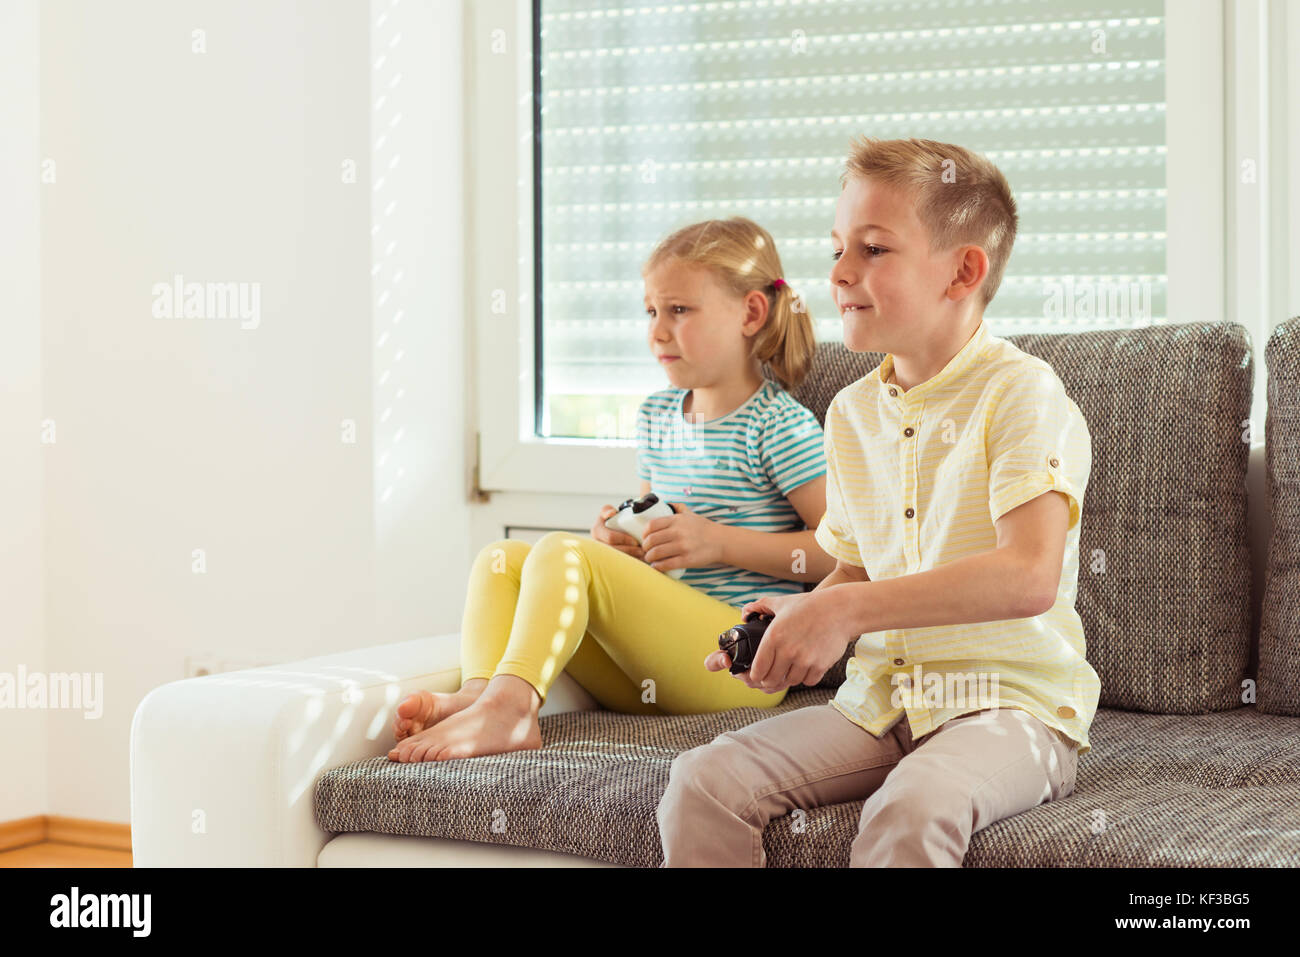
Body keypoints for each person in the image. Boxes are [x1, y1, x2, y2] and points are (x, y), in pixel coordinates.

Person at [657, 136, 1099, 867]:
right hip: (881, 700)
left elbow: (1028, 575)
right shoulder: (851, 413)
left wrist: (845, 612)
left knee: (911, 805)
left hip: (1010, 706)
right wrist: (804, 610)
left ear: (963, 271)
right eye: (837, 248)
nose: (839, 273)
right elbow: (858, 570)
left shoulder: (1023, 393)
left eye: (873, 249)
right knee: (703, 780)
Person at [387, 216, 836, 763]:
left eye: (679, 310)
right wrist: (621, 543)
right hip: (654, 668)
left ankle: (512, 710)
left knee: (561, 550)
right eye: (651, 311)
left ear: (750, 312)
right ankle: (484, 695)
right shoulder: (656, 415)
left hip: (734, 667)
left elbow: (839, 551)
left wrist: (718, 543)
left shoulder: (778, 425)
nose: (657, 331)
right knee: (502, 558)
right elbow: (655, 545)